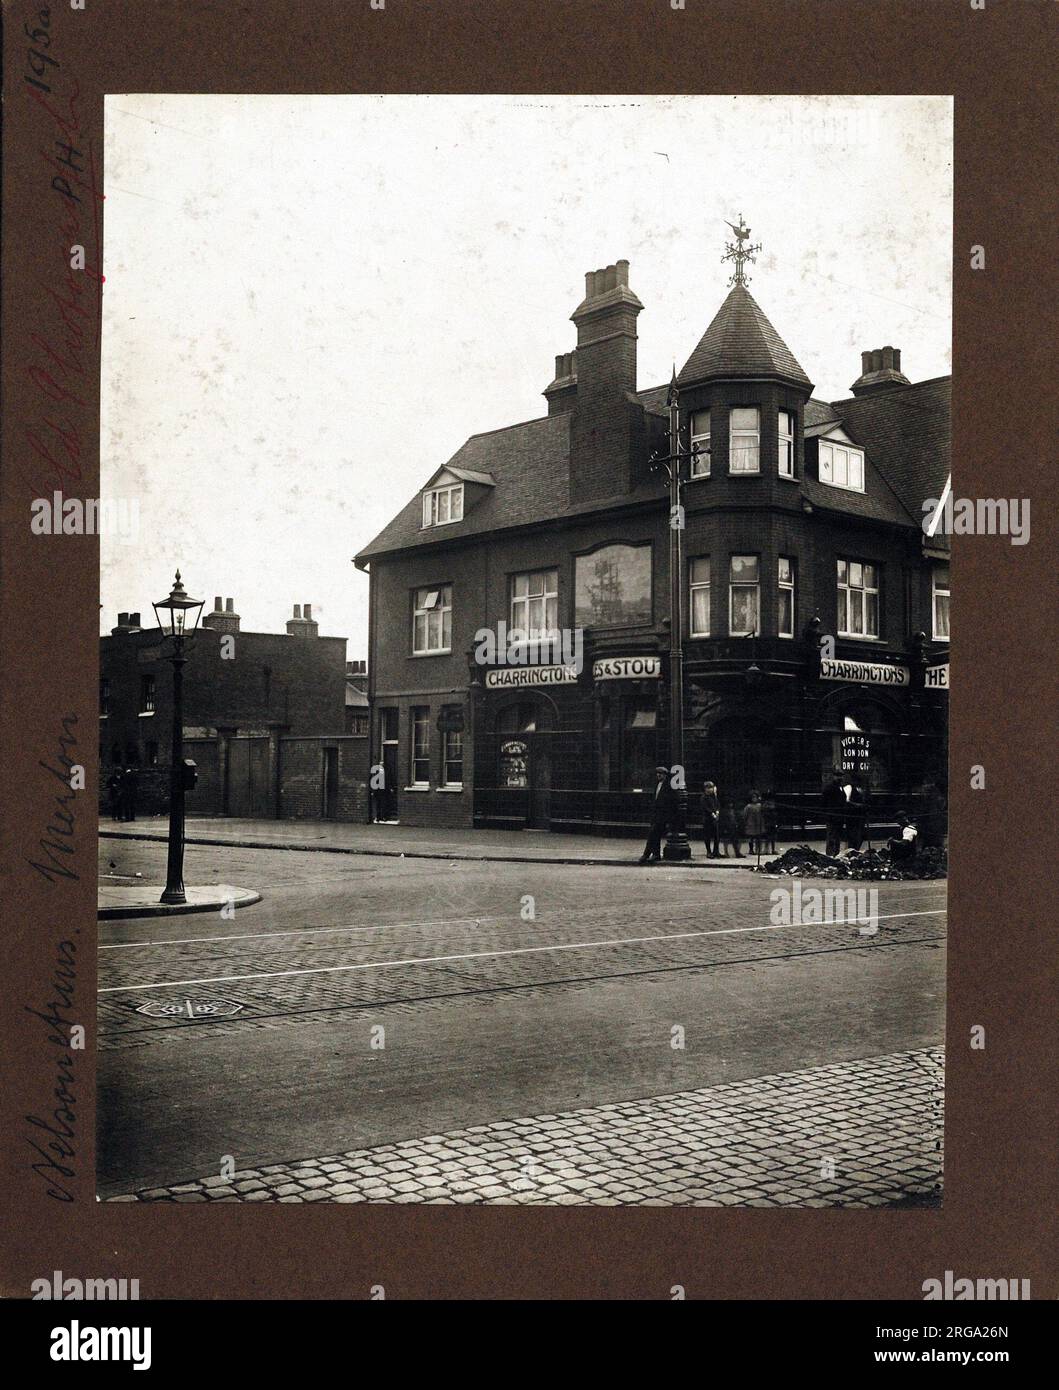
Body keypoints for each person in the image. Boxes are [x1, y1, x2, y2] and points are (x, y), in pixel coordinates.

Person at [639, 766, 676, 864]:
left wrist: (669, 818)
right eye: (657, 773)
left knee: (653, 833)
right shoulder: (657, 784)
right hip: (656, 815)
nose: (658, 775)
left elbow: (671, 802)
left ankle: (647, 854)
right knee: (655, 835)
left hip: (663, 815)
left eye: (661, 773)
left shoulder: (669, 786)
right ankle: (655, 855)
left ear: (665, 775)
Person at [821, 773, 847, 857]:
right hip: (832, 816)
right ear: (834, 776)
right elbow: (824, 802)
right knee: (832, 836)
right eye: (838, 776)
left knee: (837, 836)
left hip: (839, 816)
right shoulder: (829, 787)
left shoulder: (841, 787)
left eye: (841, 776)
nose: (840, 778)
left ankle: (836, 853)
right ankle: (830, 854)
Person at [845, 778, 868, 851]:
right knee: (852, 835)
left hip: (861, 816)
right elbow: (847, 801)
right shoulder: (849, 788)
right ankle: (851, 851)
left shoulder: (862, 790)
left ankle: (856, 850)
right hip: (852, 817)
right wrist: (857, 805)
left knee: (860, 835)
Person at [743, 790, 766, 857]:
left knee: (758, 837)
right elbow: (745, 814)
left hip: (758, 823)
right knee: (751, 838)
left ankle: (758, 849)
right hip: (751, 823)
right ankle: (751, 849)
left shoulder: (760, 805)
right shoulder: (748, 806)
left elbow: (763, 811)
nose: (754, 799)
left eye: (755, 797)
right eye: (753, 797)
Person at [701, 780, 720, 858]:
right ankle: (708, 851)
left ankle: (716, 851)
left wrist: (717, 812)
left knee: (716, 836)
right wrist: (712, 813)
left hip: (714, 818)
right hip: (707, 818)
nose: (709, 789)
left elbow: (718, 805)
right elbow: (705, 807)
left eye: (711, 788)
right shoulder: (703, 797)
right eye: (708, 788)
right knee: (707, 836)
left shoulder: (714, 797)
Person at [762, 789, 779, 855]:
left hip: (772, 822)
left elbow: (775, 814)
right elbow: (764, 813)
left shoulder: (773, 804)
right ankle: (766, 849)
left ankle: (773, 849)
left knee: (773, 837)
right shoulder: (766, 805)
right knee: (768, 837)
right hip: (768, 823)